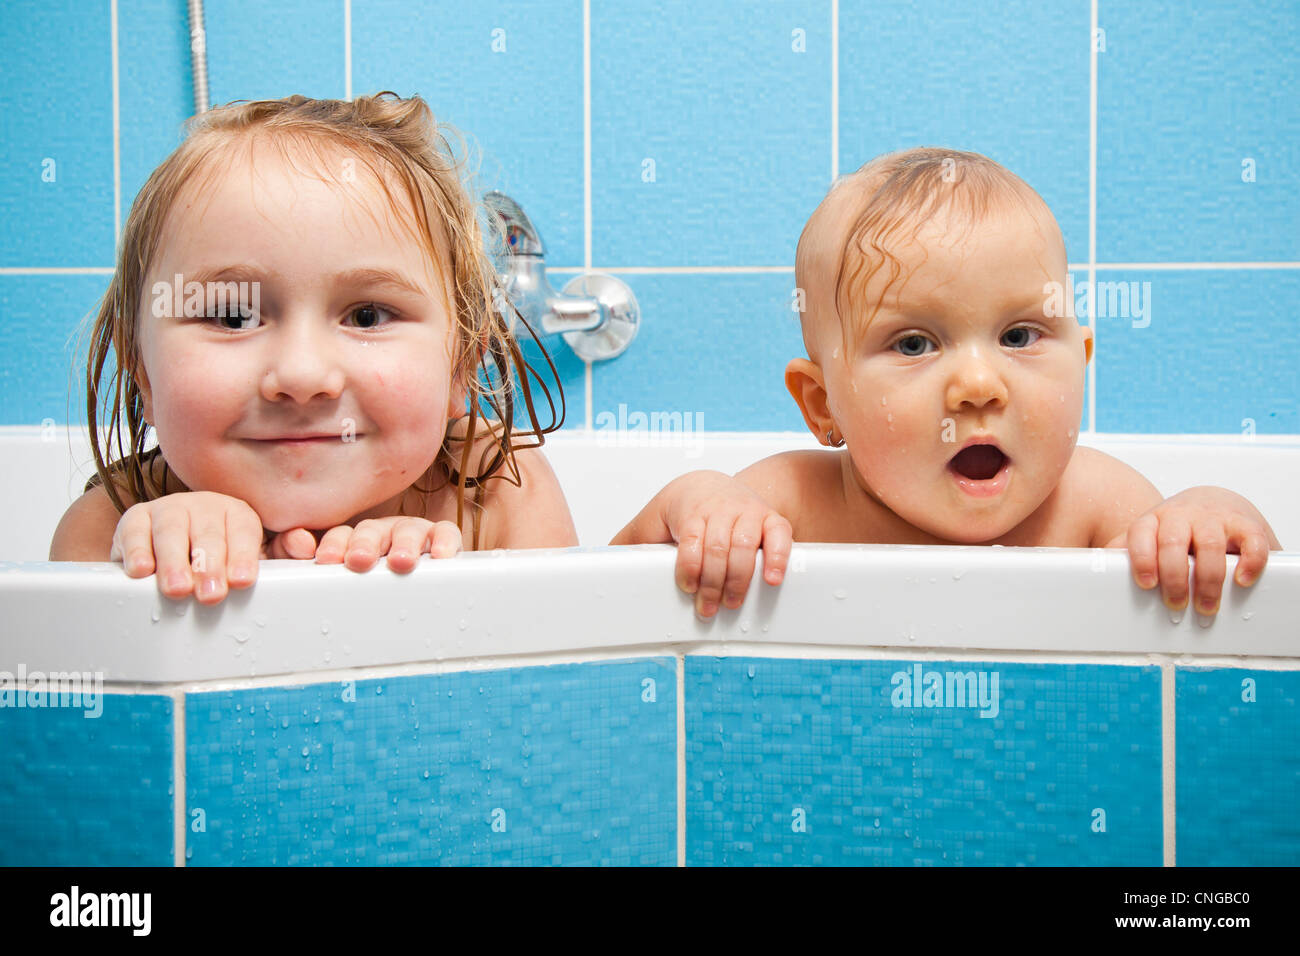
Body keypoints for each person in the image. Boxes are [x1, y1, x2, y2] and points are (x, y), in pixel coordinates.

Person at [614, 148, 1281, 619]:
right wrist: (693, 501)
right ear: (823, 406)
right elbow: (593, 596)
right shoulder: (792, 505)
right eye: (913, 344)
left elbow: (1251, 606)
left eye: (1019, 336)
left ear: (1081, 359)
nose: (978, 386)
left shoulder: (1099, 505)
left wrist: (1215, 513)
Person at [50, 93, 578, 603]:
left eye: (367, 316)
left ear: (462, 361)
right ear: (139, 365)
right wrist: (156, 575)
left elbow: (580, 674)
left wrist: (410, 599)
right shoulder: (113, 530)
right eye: (233, 318)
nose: (301, 375)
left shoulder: (499, 492)